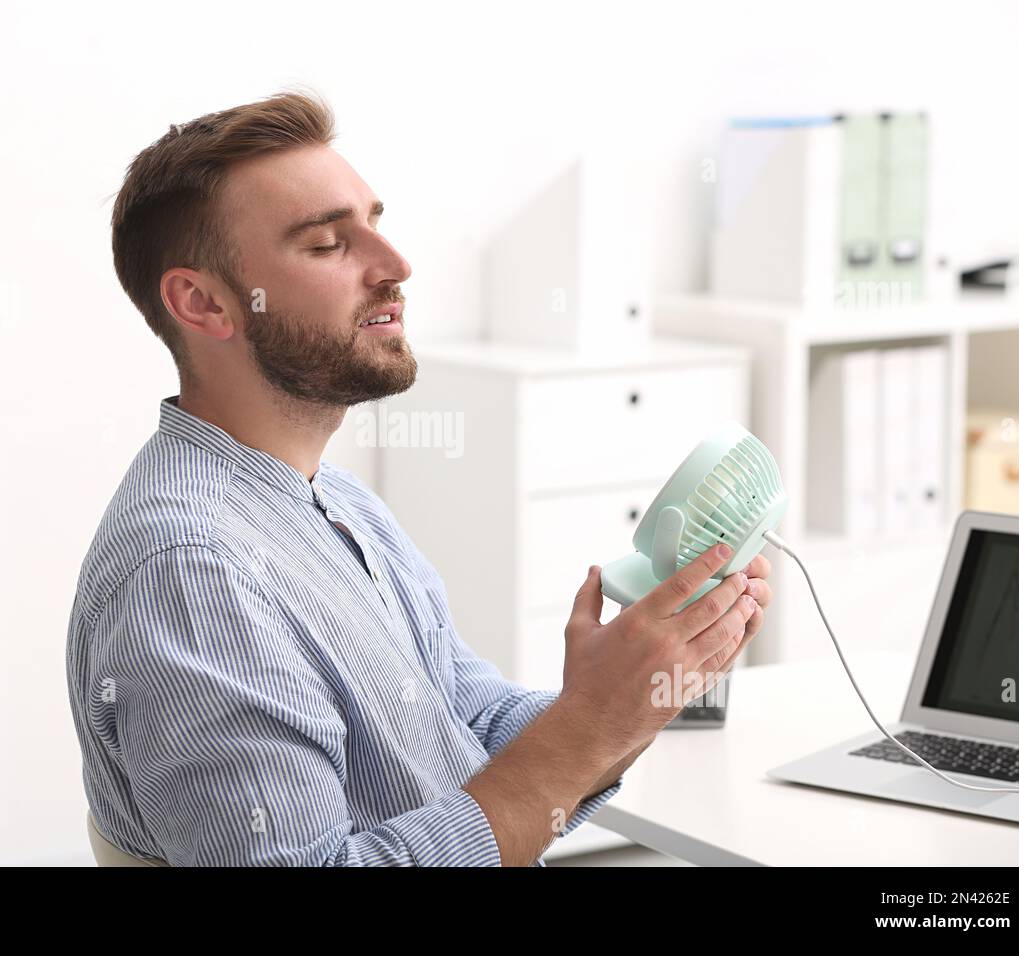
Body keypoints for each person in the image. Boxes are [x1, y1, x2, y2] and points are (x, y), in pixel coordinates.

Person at [65, 89, 773, 866]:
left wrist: (634, 692)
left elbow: (472, 724)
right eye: (328, 244)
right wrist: (591, 726)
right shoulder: (195, 576)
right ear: (202, 302)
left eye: (373, 223)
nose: (396, 266)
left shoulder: (340, 506)